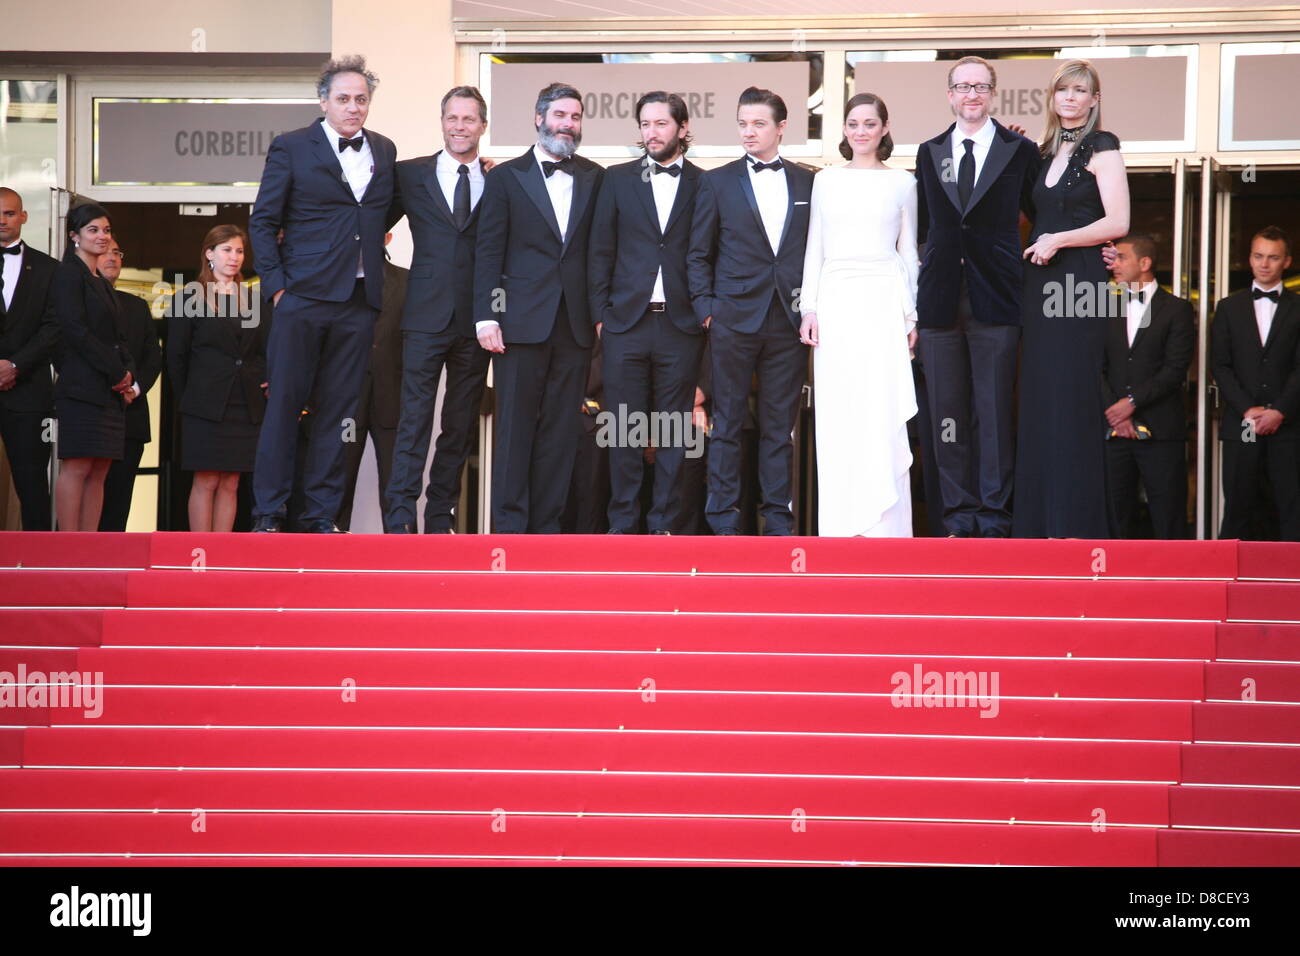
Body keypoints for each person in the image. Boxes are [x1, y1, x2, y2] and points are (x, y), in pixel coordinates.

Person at [248, 54, 397, 533]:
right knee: (284, 408)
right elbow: (264, 221)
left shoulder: (385, 149)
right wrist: (276, 289)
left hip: (358, 302)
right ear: (323, 101)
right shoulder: (291, 147)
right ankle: (269, 512)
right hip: (302, 299)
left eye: (361, 99)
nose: (353, 107)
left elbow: (380, 211)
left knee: (337, 415)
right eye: (344, 98)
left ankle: (318, 515)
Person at [913, 56, 1042, 538]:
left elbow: (1043, 217)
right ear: (949, 95)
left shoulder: (1019, 151)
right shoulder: (930, 152)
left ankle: (993, 517)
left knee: (993, 414)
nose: (972, 94)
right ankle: (955, 517)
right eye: (963, 86)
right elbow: (922, 228)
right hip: (940, 302)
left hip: (997, 299)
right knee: (947, 416)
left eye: (981, 86)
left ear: (993, 95)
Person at [474, 82, 603, 534]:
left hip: (575, 324)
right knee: (514, 429)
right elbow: (488, 251)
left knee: (561, 432)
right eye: (560, 115)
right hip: (518, 325)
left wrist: (601, 313)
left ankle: (546, 531)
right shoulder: (506, 178)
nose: (567, 124)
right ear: (539, 118)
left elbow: (599, 251)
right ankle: (509, 531)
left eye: (575, 117)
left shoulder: (595, 176)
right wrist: (487, 315)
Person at [687, 86, 814, 536]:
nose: (749, 132)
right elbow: (698, 254)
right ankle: (723, 521)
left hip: (788, 320)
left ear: (782, 128)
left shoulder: (809, 181)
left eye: (759, 123)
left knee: (780, 428)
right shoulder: (715, 181)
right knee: (727, 425)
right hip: (732, 320)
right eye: (743, 123)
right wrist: (707, 311)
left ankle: (778, 520)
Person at [1015, 58, 1129, 539]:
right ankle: (1040, 524)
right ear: (1053, 97)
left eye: (1080, 90)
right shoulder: (1042, 153)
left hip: (1079, 285)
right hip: (1040, 285)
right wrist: (1012, 149)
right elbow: (1028, 210)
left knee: (1073, 395)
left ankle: (1075, 525)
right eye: (1063, 90)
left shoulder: (1103, 146)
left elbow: (1118, 223)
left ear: (1094, 100)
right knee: (1041, 396)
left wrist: (1059, 240)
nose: (1070, 98)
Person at [800, 92, 918, 537]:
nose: (861, 131)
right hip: (836, 302)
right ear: (844, 130)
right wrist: (809, 307)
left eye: (870, 123)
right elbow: (815, 248)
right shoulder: (826, 181)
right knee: (839, 412)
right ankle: (842, 526)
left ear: (884, 128)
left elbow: (908, 253)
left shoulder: (903, 183)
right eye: (853, 123)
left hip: (884, 303)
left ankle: (887, 527)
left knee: (881, 408)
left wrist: (911, 317)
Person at [588, 91, 705, 535]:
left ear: (682, 127)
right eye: (645, 124)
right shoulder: (615, 180)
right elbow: (600, 251)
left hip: (681, 325)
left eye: (660, 124)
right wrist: (602, 316)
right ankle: (623, 526)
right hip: (625, 325)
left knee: (674, 431)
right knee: (623, 431)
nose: (651, 133)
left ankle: (666, 527)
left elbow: (708, 253)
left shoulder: (703, 183)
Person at [383, 85, 492, 534]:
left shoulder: (499, 179)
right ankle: (400, 518)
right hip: (424, 316)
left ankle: (439, 515)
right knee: (414, 420)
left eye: (469, 119)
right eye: (453, 118)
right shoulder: (409, 174)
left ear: (482, 126)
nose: (460, 126)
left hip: (477, 319)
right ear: (442, 121)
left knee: (460, 423)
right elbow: (369, 226)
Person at [167, 224, 268, 533]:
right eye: (227, 250)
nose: (234, 257)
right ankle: (200, 550)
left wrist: (265, 379)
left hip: (245, 401)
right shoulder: (190, 296)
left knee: (232, 480)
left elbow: (262, 350)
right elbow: (176, 356)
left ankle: (220, 551)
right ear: (209, 254)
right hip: (204, 403)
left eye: (239, 251)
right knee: (207, 478)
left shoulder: (252, 298)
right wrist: (190, 399)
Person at [1102, 234, 1194, 539]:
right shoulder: (1106, 306)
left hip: (1161, 430)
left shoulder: (1177, 309)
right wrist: (1117, 413)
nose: (1114, 264)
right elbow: (1096, 367)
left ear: (1145, 263)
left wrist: (1132, 403)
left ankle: (1178, 583)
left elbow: (1175, 369)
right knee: (1115, 517)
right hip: (1113, 432)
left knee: (1167, 515)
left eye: (1121, 257)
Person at [50, 203, 134, 531]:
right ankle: (69, 545)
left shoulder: (99, 278)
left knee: (99, 469)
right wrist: (116, 372)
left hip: (108, 390)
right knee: (78, 466)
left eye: (107, 230)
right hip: (82, 387)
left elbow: (118, 335)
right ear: (74, 236)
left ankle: (89, 546)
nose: (102, 237)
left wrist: (127, 374)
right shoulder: (68, 273)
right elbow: (75, 329)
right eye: (93, 230)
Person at [1212, 225, 1299, 541]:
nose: (1264, 264)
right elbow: (1219, 366)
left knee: (1290, 505)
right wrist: (1248, 409)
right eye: (1258, 256)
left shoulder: (1298, 307)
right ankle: (1232, 583)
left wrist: (1279, 411)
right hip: (1242, 423)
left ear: (1286, 261)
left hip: (1287, 424)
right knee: (1238, 505)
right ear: (1249, 259)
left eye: (1273, 258)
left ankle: (1292, 583)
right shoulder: (1228, 307)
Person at [0, 186, 59, 530]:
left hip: (29, 391)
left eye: (9, 213)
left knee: (32, 482)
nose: (2, 221)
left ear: (23, 217)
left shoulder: (49, 268)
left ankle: (40, 563)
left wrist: (16, 365)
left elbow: (55, 328)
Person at [338, 242, 406, 532]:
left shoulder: (408, 281)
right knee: (339, 477)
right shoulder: (338, 280)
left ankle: (401, 549)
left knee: (397, 481)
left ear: (389, 238)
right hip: (346, 397)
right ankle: (330, 541)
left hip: (392, 395)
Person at [97, 239, 162, 532]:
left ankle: (113, 566)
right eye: (105, 251)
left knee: (120, 500)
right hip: (91, 413)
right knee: (87, 493)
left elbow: (153, 357)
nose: (113, 257)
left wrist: (134, 390)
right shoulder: (76, 303)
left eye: (117, 252)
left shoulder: (136, 306)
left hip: (130, 417)